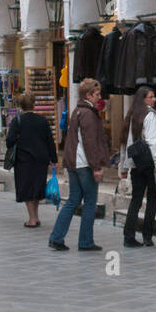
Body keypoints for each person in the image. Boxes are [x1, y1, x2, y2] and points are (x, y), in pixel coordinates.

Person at [49, 78, 107, 252]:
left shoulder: (77, 111)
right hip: (84, 164)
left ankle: (56, 237)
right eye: (97, 94)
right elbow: (90, 142)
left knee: (73, 200)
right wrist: (96, 167)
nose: (99, 97)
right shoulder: (88, 114)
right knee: (90, 201)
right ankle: (85, 241)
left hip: (74, 163)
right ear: (89, 95)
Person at [119, 87, 156, 247]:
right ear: (144, 99)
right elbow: (153, 140)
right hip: (149, 162)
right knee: (152, 199)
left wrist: (123, 168)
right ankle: (147, 235)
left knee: (136, 200)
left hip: (136, 163)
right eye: (151, 97)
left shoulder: (131, 115)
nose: (154, 99)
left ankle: (129, 235)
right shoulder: (149, 115)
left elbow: (124, 144)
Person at [6, 91, 58, 228]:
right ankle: (35, 216)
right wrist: (54, 158)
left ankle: (32, 219)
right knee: (36, 187)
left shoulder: (17, 121)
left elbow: (9, 141)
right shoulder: (42, 120)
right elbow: (49, 140)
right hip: (41, 158)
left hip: (24, 159)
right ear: (34, 104)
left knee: (27, 187)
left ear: (21, 105)